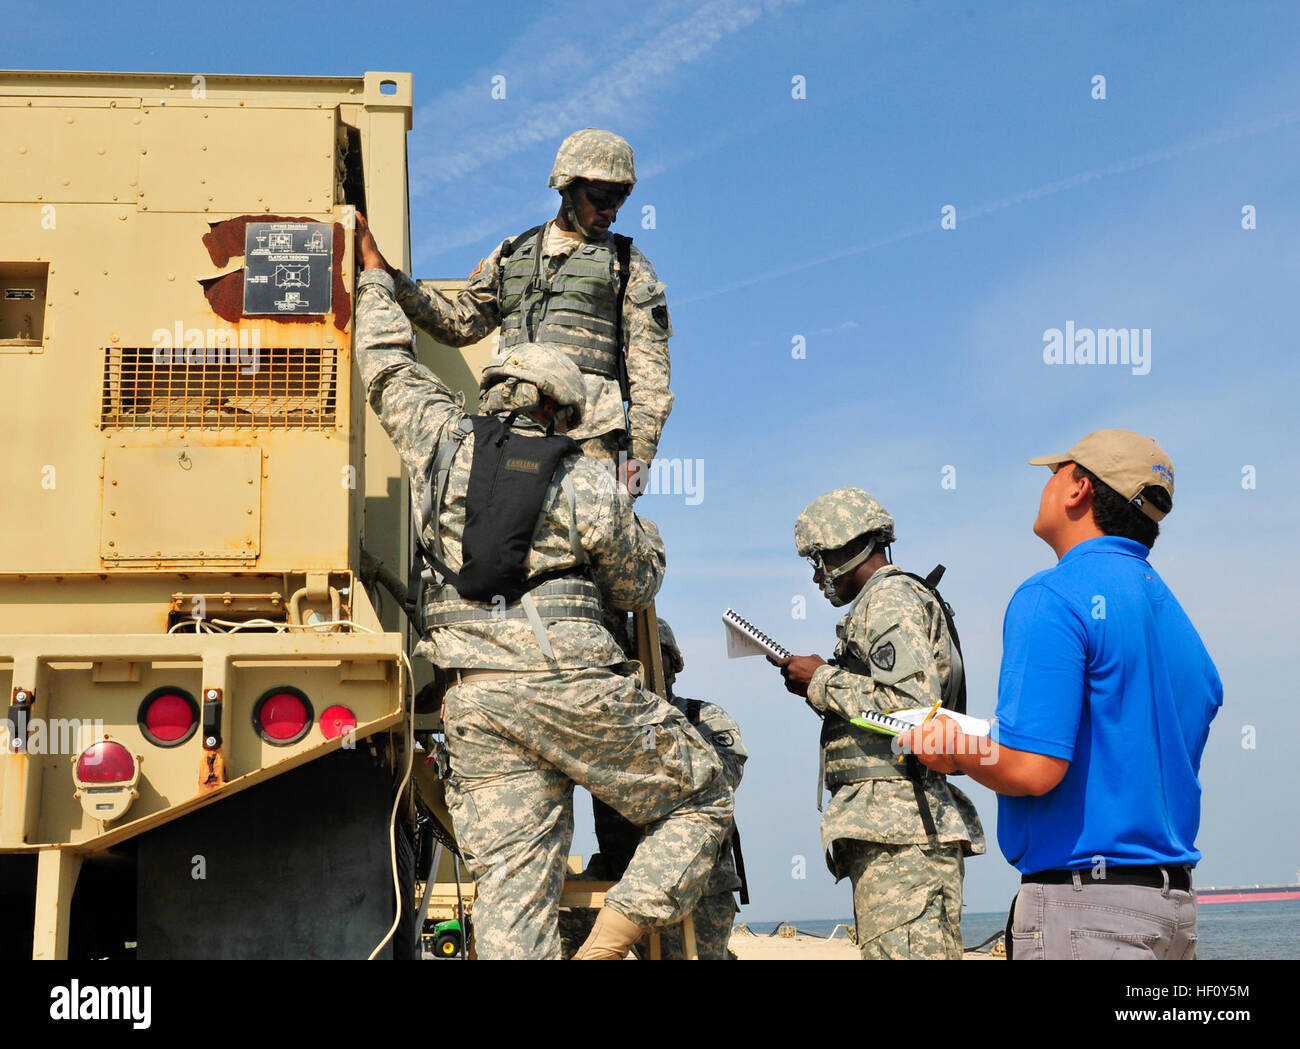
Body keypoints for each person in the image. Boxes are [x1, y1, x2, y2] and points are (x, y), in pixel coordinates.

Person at [351, 239, 732, 960]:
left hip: (475, 702)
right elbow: (636, 584)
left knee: (511, 891)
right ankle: (609, 940)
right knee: (702, 793)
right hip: (572, 689)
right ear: (561, 413)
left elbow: (385, 362)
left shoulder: (438, 438)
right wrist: (639, 530)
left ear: (493, 389)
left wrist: (375, 278)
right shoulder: (585, 477)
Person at [903, 430, 1222, 960]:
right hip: (1174, 913)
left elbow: (1033, 768)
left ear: (1078, 489)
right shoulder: (1177, 620)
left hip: (1088, 914)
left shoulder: (1050, 595)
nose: (1046, 484)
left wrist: (952, 748)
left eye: (1056, 471)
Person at [357, 127, 673, 495]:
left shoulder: (626, 264)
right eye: (600, 198)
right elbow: (459, 324)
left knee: (585, 540)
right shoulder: (512, 253)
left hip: (590, 435)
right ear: (566, 187)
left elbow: (650, 375)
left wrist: (639, 457)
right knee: (502, 540)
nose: (610, 213)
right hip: (510, 425)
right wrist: (389, 276)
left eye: (618, 201)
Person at [773, 488, 985, 960]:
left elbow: (912, 705)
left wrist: (822, 680)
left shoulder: (888, 599)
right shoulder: (887, 600)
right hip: (895, 834)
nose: (817, 576)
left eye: (821, 559)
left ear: (853, 550)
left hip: (904, 838)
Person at [563, 619, 748, 960]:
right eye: (631, 652)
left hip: (696, 882)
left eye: (654, 652)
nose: (642, 660)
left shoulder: (701, 717)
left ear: (674, 661)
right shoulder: (601, 727)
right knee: (548, 934)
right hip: (618, 873)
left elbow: (723, 778)